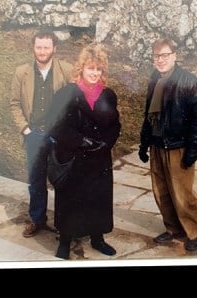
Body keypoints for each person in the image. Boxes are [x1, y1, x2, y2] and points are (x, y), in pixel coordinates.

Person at [46, 43, 121, 259]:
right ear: (81, 69)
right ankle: (65, 241)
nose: (95, 73)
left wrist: (106, 143)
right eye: (91, 68)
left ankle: (98, 239)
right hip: (74, 157)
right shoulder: (67, 93)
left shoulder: (108, 95)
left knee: (98, 198)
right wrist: (81, 141)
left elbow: (115, 125)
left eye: (99, 69)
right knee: (70, 200)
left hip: (99, 158)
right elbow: (55, 124)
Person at [139, 38, 197, 251]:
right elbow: (148, 115)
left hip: (178, 146)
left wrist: (192, 150)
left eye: (165, 55)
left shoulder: (188, 82)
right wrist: (144, 144)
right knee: (161, 191)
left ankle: (194, 231)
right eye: (156, 56)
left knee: (182, 193)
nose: (160, 60)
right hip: (158, 145)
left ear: (174, 56)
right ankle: (173, 229)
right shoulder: (155, 79)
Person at [10, 29, 73, 237]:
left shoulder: (66, 70)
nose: (42, 51)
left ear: (54, 48)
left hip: (58, 135)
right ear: (33, 48)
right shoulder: (22, 72)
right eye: (39, 47)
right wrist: (25, 129)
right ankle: (37, 220)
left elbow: (74, 101)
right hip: (34, 134)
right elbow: (14, 104)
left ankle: (64, 223)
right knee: (36, 180)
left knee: (63, 180)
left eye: (46, 47)